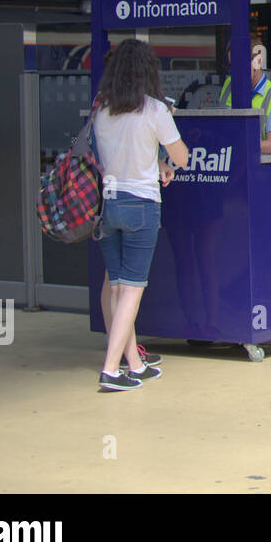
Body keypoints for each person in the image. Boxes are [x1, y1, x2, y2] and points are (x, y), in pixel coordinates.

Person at [94, 39, 189, 391]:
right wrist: (167, 156)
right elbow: (181, 157)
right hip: (141, 205)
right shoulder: (154, 110)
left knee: (117, 288)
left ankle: (133, 362)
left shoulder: (102, 109)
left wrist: (157, 161)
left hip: (108, 204)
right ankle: (110, 370)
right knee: (131, 292)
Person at [219, 37, 271, 155]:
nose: (235, 72)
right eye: (232, 66)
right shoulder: (228, 85)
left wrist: (236, 144)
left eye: (240, 65)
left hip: (262, 170)